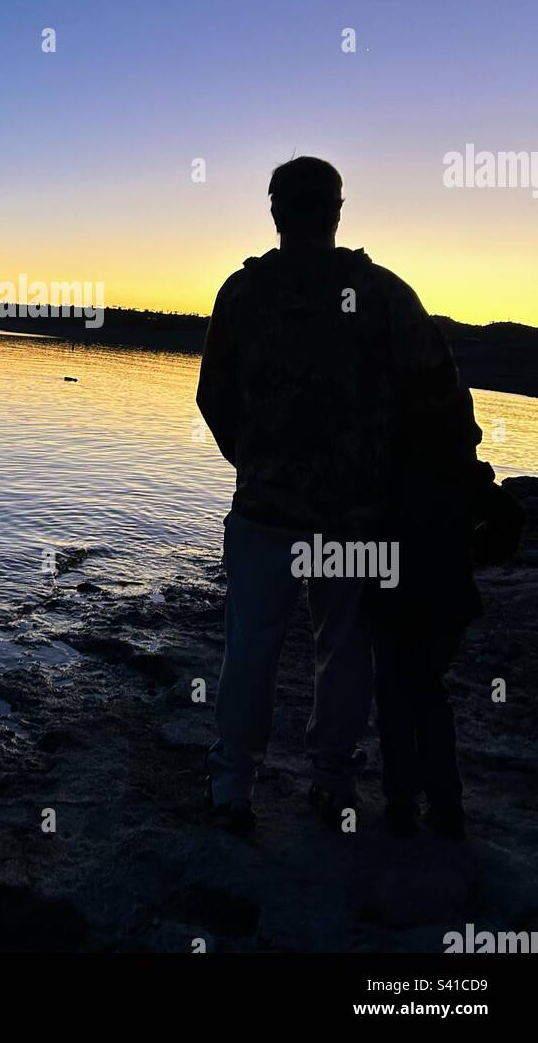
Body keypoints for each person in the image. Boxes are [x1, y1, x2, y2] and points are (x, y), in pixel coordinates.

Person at [196, 156, 483, 834]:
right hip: (353, 522)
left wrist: (257, 465)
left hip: (265, 516)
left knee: (251, 651)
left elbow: (213, 397)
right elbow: (440, 393)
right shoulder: (382, 293)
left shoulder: (242, 294)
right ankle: (331, 781)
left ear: (274, 212)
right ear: (336, 210)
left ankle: (232, 788)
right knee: (342, 649)